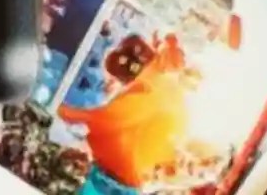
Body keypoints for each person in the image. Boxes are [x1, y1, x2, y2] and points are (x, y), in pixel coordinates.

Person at [57, 33, 202, 195]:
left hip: (117, 180)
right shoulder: (157, 86)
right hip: (111, 176)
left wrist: (64, 111)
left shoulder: (156, 89)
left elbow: (107, 120)